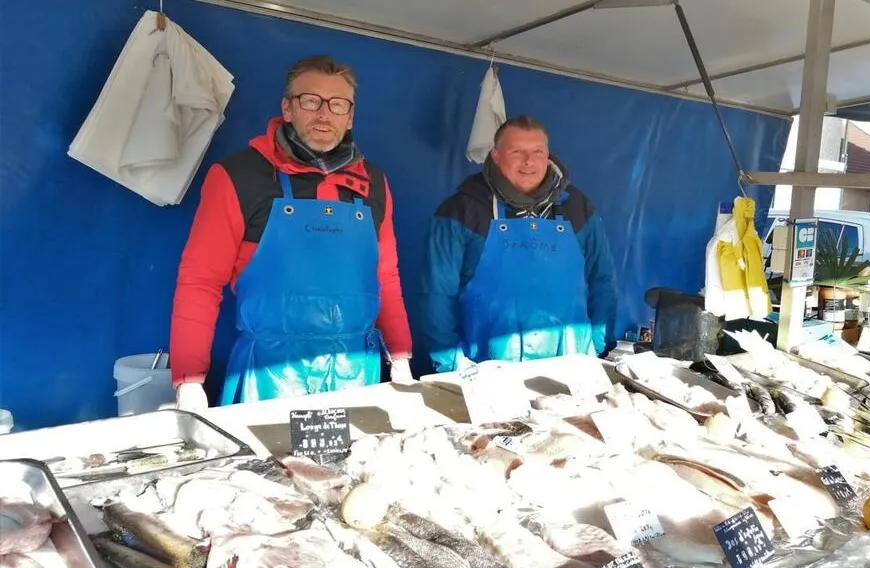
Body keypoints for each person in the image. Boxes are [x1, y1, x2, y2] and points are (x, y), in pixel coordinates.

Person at [170, 55, 414, 410]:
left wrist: (401, 355)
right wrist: (189, 379)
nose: (324, 114)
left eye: (338, 104)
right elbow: (200, 281)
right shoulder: (238, 175)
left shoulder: (374, 182)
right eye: (311, 101)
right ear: (287, 108)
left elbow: (385, 277)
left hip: (357, 373)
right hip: (267, 378)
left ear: (350, 117)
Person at [419, 115, 617, 373]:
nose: (528, 161)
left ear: (547, 156)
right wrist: (452, 364)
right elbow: (436, 293)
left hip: (572, 367)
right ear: (496, 156)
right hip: (486, 371)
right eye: (517, 152)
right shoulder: (460, 210)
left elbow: (602, 279)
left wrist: (597, 347)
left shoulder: (578, 208)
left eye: (537, 152)